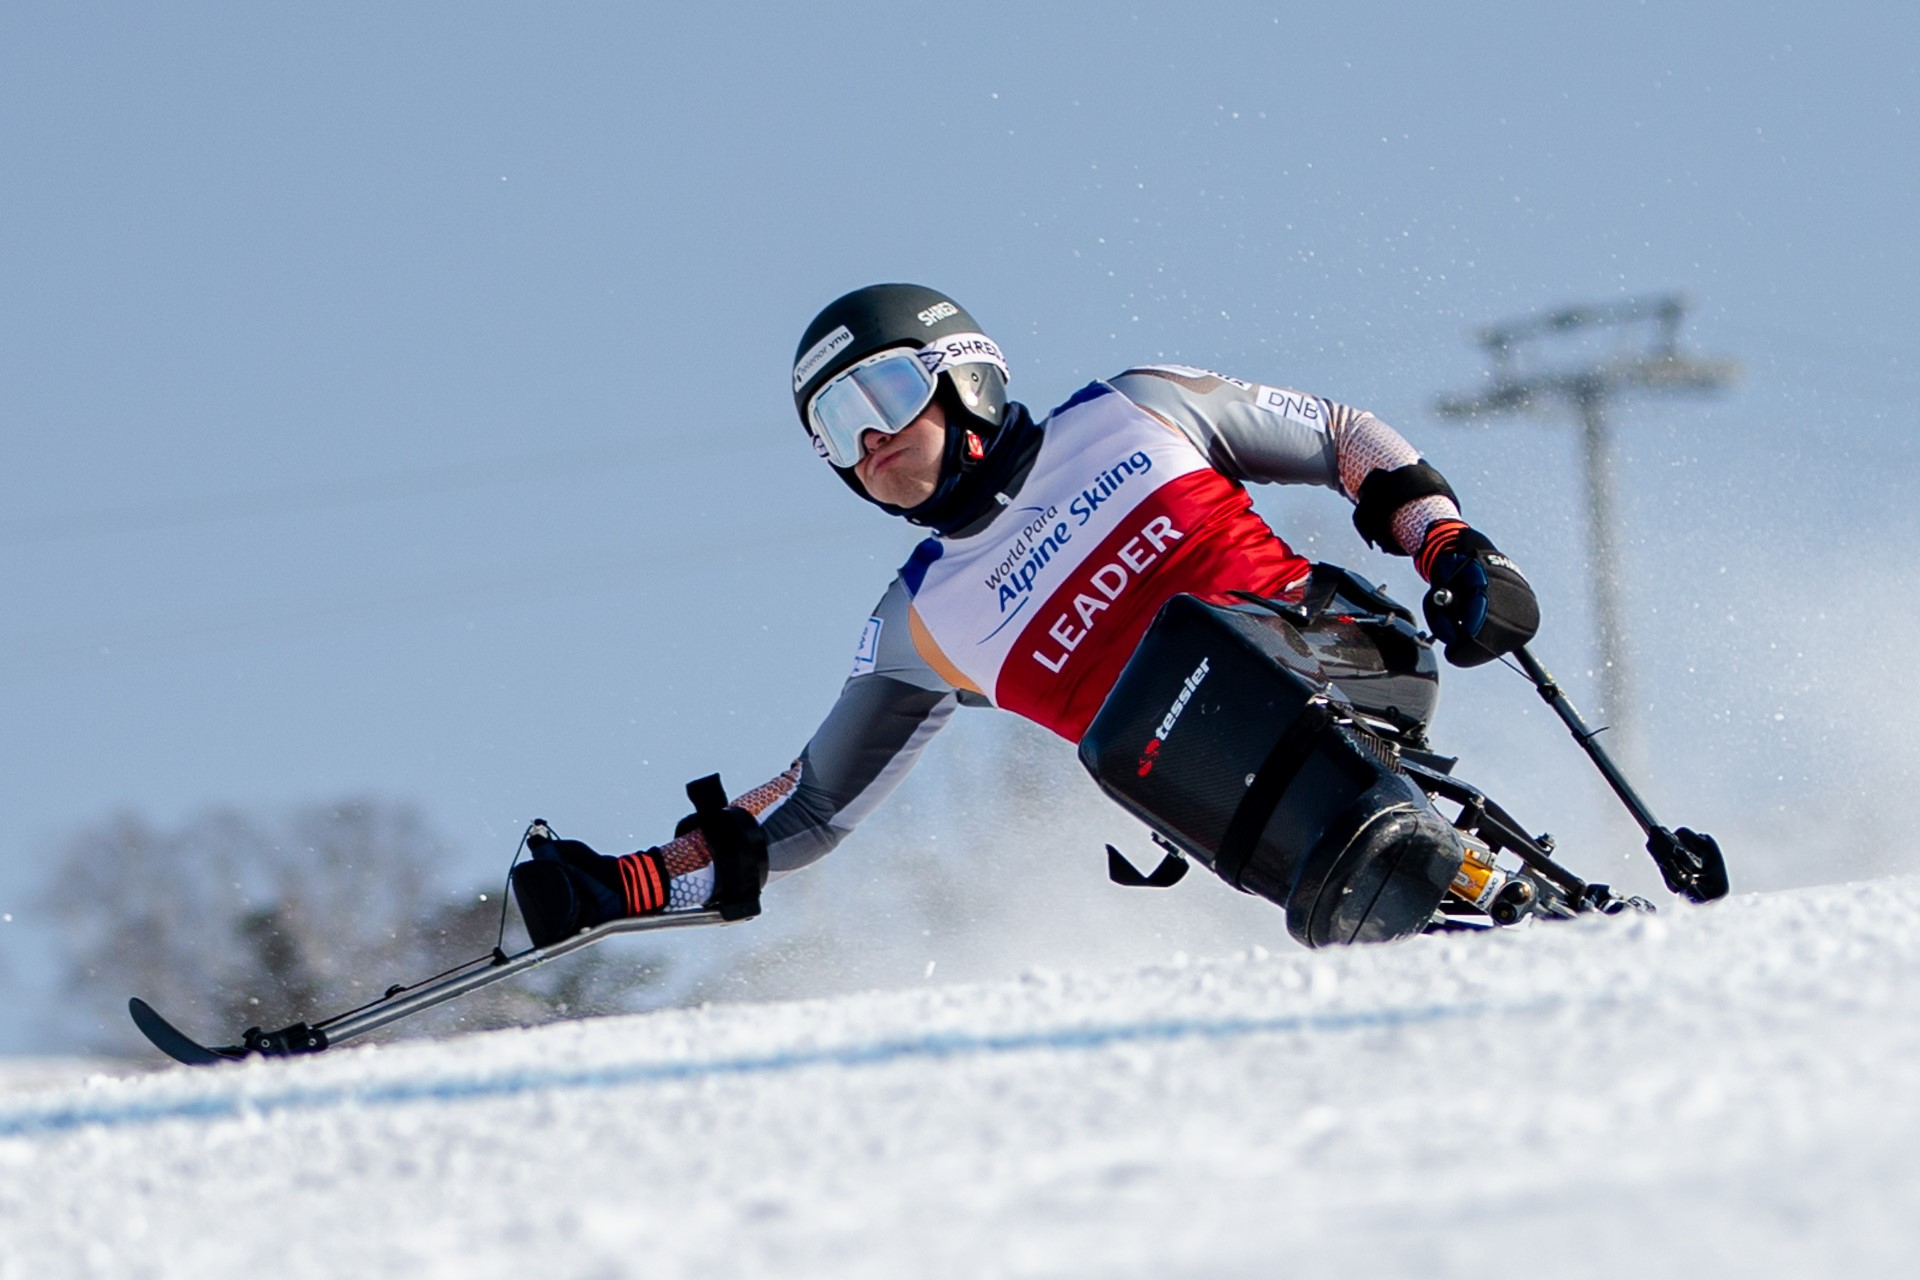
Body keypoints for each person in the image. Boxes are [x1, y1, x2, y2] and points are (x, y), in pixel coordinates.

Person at [511, 283, 1540, 949]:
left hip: (1340, 662)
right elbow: (811, 803)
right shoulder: (921, 620)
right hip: (1238, 802)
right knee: (1132, 729)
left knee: (1192, 647)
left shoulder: (1136, 411)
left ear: (960, 370)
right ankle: (1448, 911)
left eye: (881, 396)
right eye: (836, 428)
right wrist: (634, 883)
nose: (869, 442)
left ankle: (1435, 850)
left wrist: (1447, 542)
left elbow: (1339, 436)